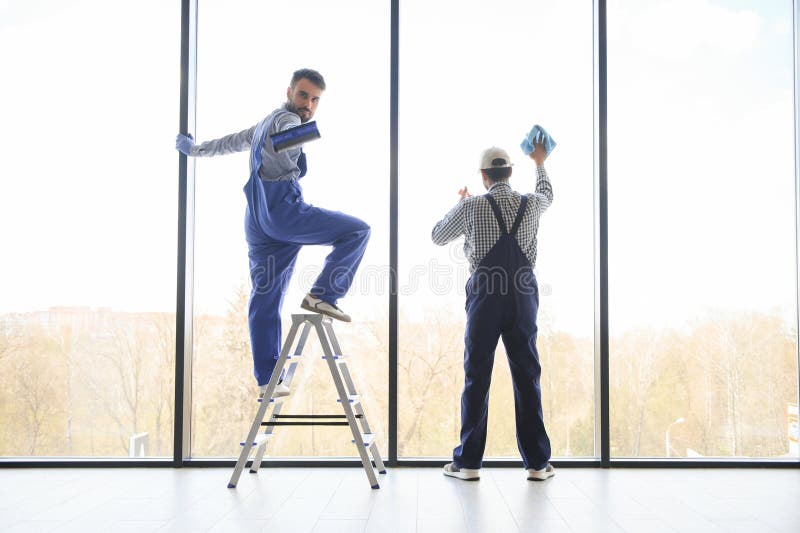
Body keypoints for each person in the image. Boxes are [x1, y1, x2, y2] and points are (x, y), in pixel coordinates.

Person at [176, 68, 370, 397]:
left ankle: (268, 378)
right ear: (289, 91)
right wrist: (303, 135)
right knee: (357, 231)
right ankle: (323, 294)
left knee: (265, 298)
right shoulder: (287, 121)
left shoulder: (265, 123)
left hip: (258, 221)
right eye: (303, 95)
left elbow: (230, 142)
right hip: (283, 212)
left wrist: (194, 150)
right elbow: (288, 138)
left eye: (315, 100)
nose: (308, 104)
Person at [431, 143, 555, 481]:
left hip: (486, 293)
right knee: (527, 375)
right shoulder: (531, 204)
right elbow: (547, 193)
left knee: (477, 376)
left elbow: (438, 236)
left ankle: (468, 464)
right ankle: (537, 465)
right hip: (523, 293)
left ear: (484, 176)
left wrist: (463, 206)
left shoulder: (471, 206)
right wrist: (540, 163)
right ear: (511, 173)